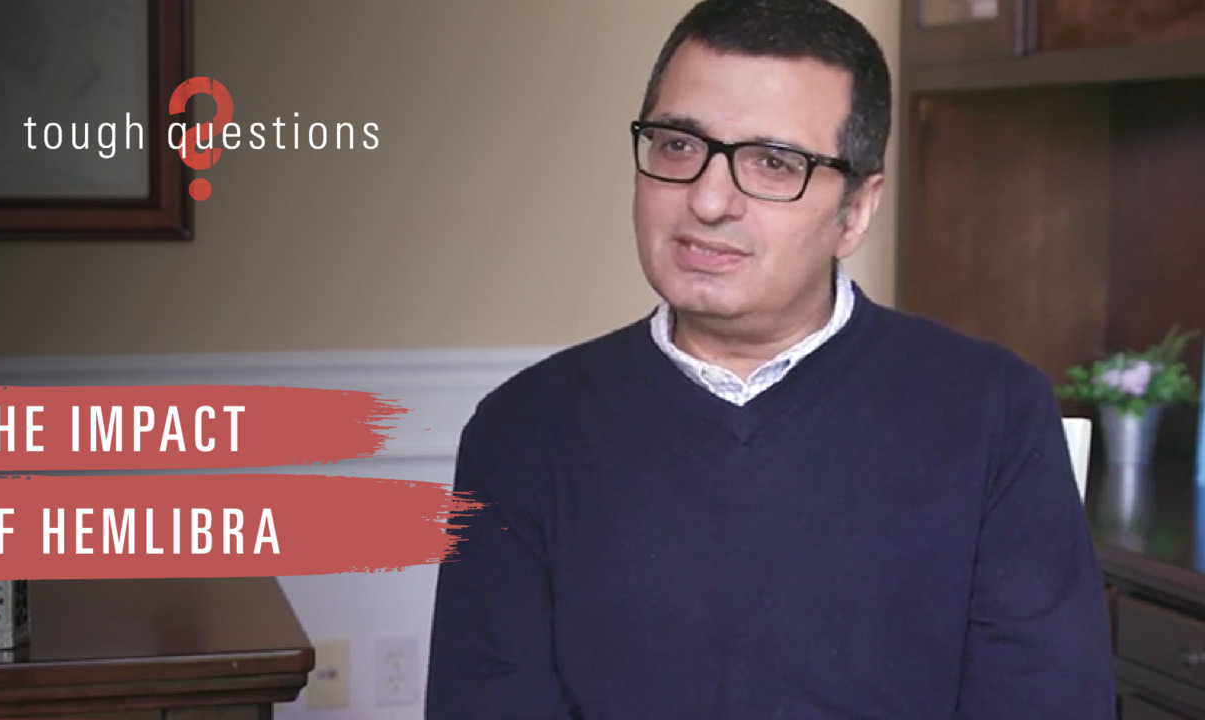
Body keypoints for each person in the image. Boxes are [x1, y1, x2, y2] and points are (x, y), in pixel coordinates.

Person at [425, 0, 1116, 718]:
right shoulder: (524, 428)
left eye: (774, 163)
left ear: (856, 209)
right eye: (678, 145)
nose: (708, 200)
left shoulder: (993, 411)